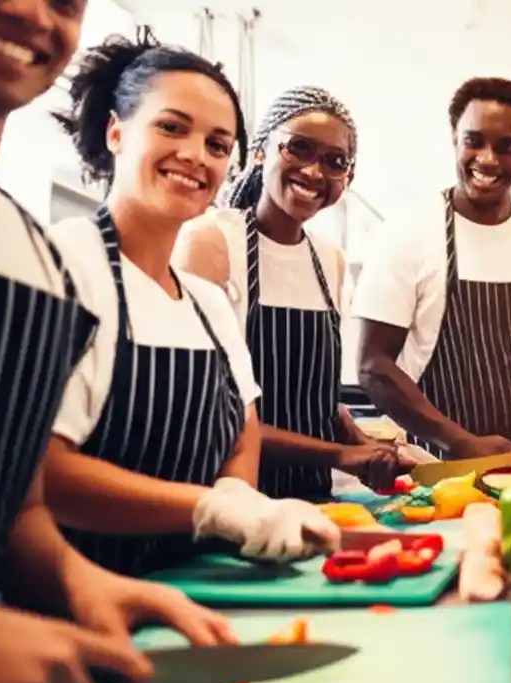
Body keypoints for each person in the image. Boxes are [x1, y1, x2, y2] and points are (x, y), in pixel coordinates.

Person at [0, 5, 234, 683]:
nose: (32, 12)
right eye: (173, 127)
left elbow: (16, 501)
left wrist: (80, 583)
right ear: (116, 133)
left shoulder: (29, 258)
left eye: (64, 1)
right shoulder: (74, 259)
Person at [41, 33, 340, 578]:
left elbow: (242, 433)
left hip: (201, 584)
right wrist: (210, 509)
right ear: (116, 132)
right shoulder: (61, 265)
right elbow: (40, 473)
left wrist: (237, 497)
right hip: (79, 592)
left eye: (217, 144)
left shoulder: (207, 303)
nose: (195, 156)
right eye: (172, 127)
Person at [174, 86, 412, 500]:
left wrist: (362, 444)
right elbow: (209, 411)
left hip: (314, 499)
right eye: (298, 148)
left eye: (335, 161)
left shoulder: (330, 261)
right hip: (230, 499)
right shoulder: (211, 242)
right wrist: (339, 455)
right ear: (261, 152)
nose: (314, 172)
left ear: (347, 177)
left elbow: (313, 400)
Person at [353, 77, 511, 460]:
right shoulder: (407, 234)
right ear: (454, 140)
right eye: (474, 141)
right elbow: (373, 365)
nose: (488, 159)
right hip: (433, 464)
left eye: (507, 147)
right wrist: (460, 442)